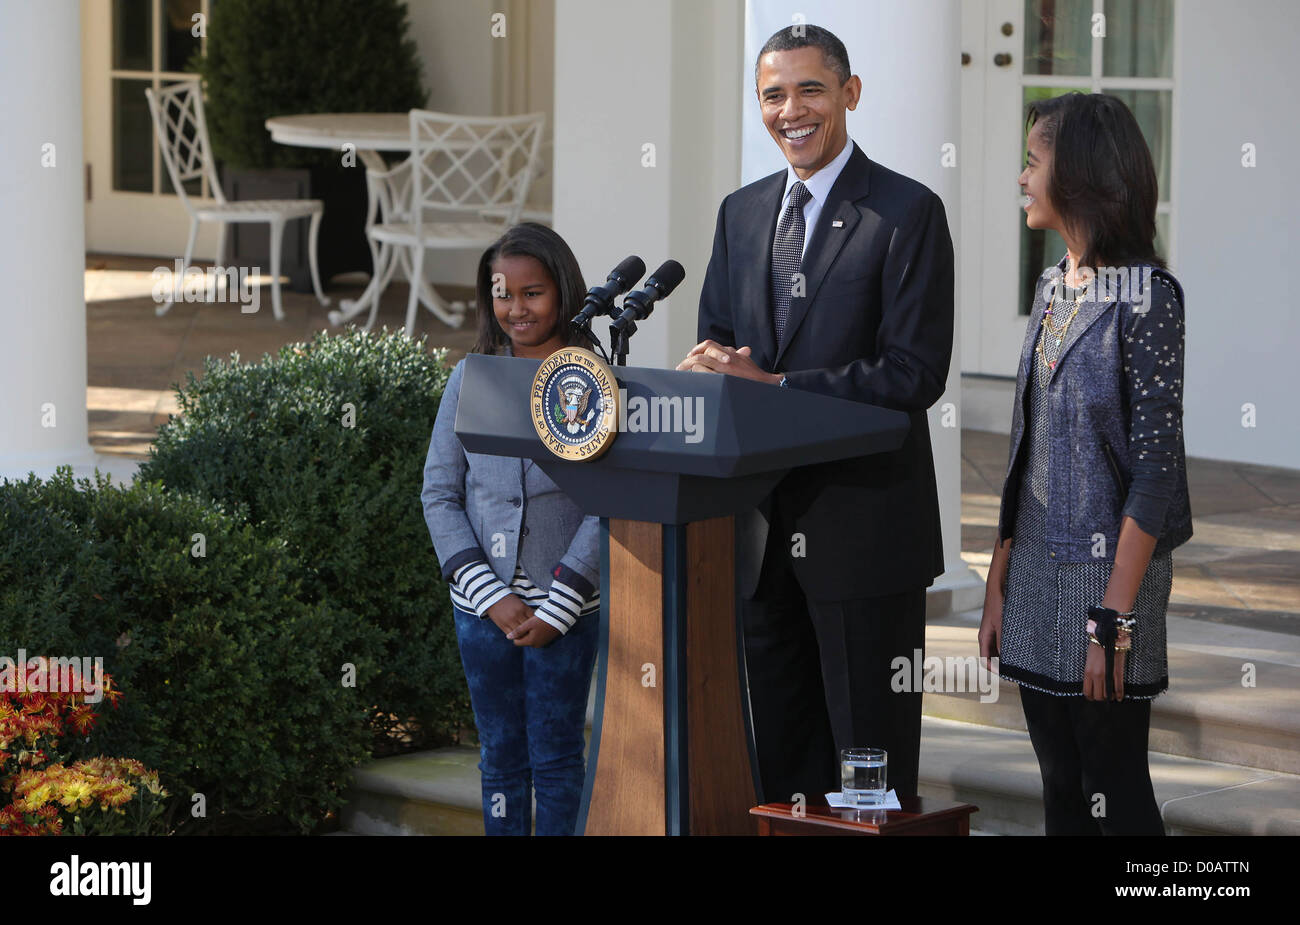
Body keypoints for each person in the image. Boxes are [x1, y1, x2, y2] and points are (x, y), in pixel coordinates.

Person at [677, 25, 954, 803]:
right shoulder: (740, 214)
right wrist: (707, 375)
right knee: (785, 769)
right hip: (757, 537)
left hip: (863, 535)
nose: (789, 110)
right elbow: (721, 345)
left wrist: (775, 386)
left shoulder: (908, 213)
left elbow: (913, 371)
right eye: (773, 94)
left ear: (850, 94)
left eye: (809, 90)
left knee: (870, 772)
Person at [978, 92, 1190, 835]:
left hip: (1111, 586)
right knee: (1061, 786)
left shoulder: (1149, 295)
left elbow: (1157, 470)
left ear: (1082, 175)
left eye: (1033, 162)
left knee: (1115, 786)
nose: (1021, 177)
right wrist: (999, 575)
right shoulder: (1050, 285)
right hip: (1036, 574)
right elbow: (1026, 440)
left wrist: (1115, 618)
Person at [421, 222, 600, 836]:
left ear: (564, 293)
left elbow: (610, 504)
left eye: (533, 293)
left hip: (566, 609)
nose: (516, 308)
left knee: (556, 760)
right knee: (499, 759)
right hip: (480, 608)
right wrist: (490, 596)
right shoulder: (469, 378)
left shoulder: (597, 382)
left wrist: (559, 605)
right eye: (503, 294)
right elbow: (440, 494)